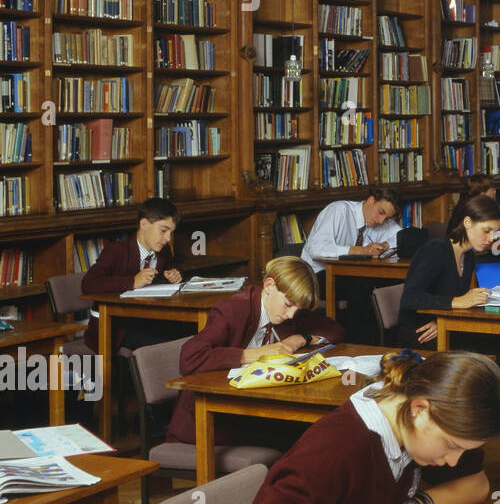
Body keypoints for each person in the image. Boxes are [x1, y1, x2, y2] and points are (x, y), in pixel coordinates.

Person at [213, 349, 500, 504]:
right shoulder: (336, 451)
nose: (454, 462)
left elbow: (477, 485)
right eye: (452, 445)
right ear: (419, 409)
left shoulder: (409, 422)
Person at [398, 194, 500, 459]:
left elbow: (446, 300)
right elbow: (410, 297)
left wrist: (444, 314)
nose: (490, 238)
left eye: (494, 232)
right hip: (421, 335)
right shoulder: (437, 250)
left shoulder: (468, 255)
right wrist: (454, 304)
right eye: (486, 230)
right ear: (466, 222)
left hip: (444, 325)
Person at [166, 256, 346, 448]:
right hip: (210, 420)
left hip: (253, 408)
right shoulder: (232, 309)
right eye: (288, 305)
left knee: (323, 429)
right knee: (307, 436)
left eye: (298, 309)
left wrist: (301, 338)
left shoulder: (288, 311)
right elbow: (189, 358)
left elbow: (335, 329)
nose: (292, 314)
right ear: (269, 285)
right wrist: (261, 353)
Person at [81, 197, 185, 353]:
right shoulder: (116, 250)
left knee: (188, 333)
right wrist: (132, 281)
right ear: (144, 224)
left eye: (171, 233)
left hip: (147, 320)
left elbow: (172, 265)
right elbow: (88, 284)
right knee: (168, 343)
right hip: (115, 326)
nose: (168, 238)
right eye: (163, 231)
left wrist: (176, 272)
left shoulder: (162, 251)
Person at [299, 187, 403, 343]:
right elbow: (315, 249)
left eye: (387, 218)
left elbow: (402, 236)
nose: (381, 221)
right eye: (381, 212)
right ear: (370, 200)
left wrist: (385, 245)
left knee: (386, 284)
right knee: (363, 284)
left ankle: (382, 344)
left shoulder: (379, 220)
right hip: (314, 277)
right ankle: (358, 344)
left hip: (345, 276)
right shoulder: (339, 210)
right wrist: (360, 250)